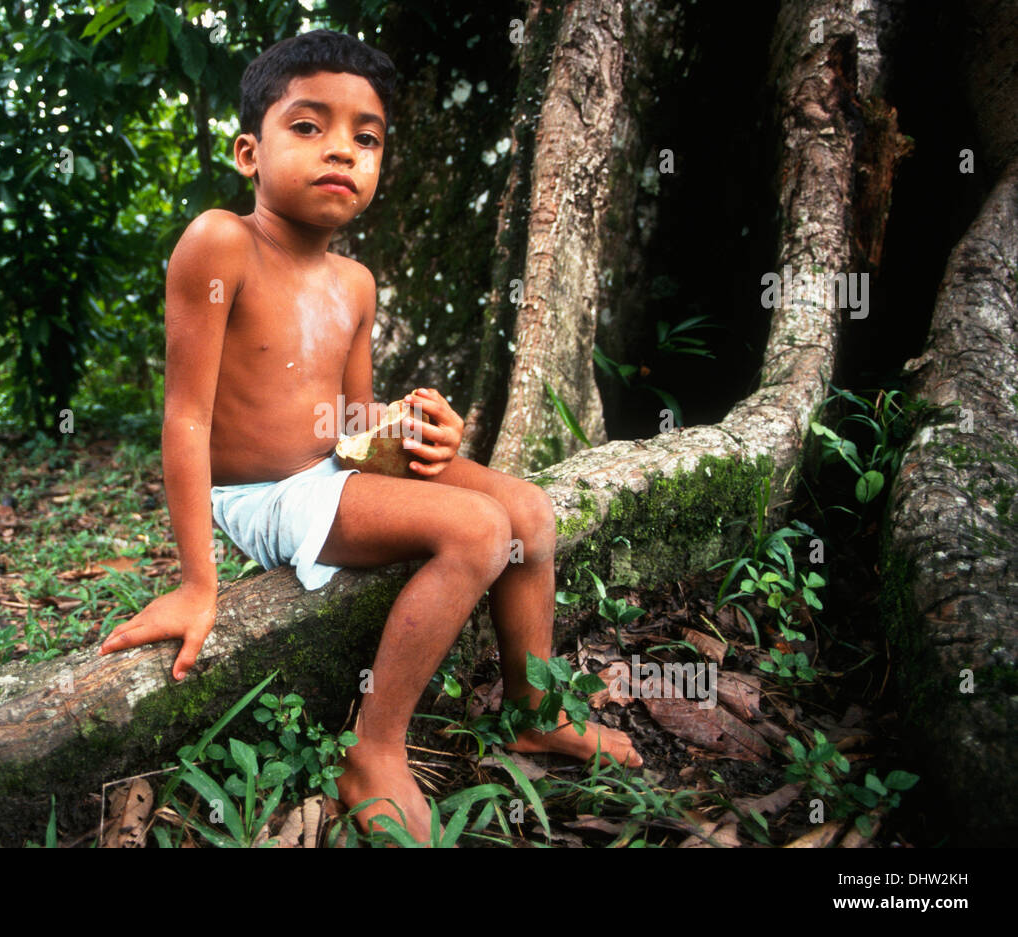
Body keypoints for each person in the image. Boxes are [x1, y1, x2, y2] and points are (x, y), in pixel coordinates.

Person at [99, 28, 641, 842]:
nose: (341, 151)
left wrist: (421, 432)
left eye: (366, 137)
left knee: (527, 512)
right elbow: (186, 417)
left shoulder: (356, 282)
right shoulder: (220, 242)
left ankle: (534, 708)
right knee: (479, 531)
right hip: (263, 493)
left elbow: (352, 425)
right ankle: (375, 745)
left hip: (331, 467)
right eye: (309, 127)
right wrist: (196, 583)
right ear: (250, 152)